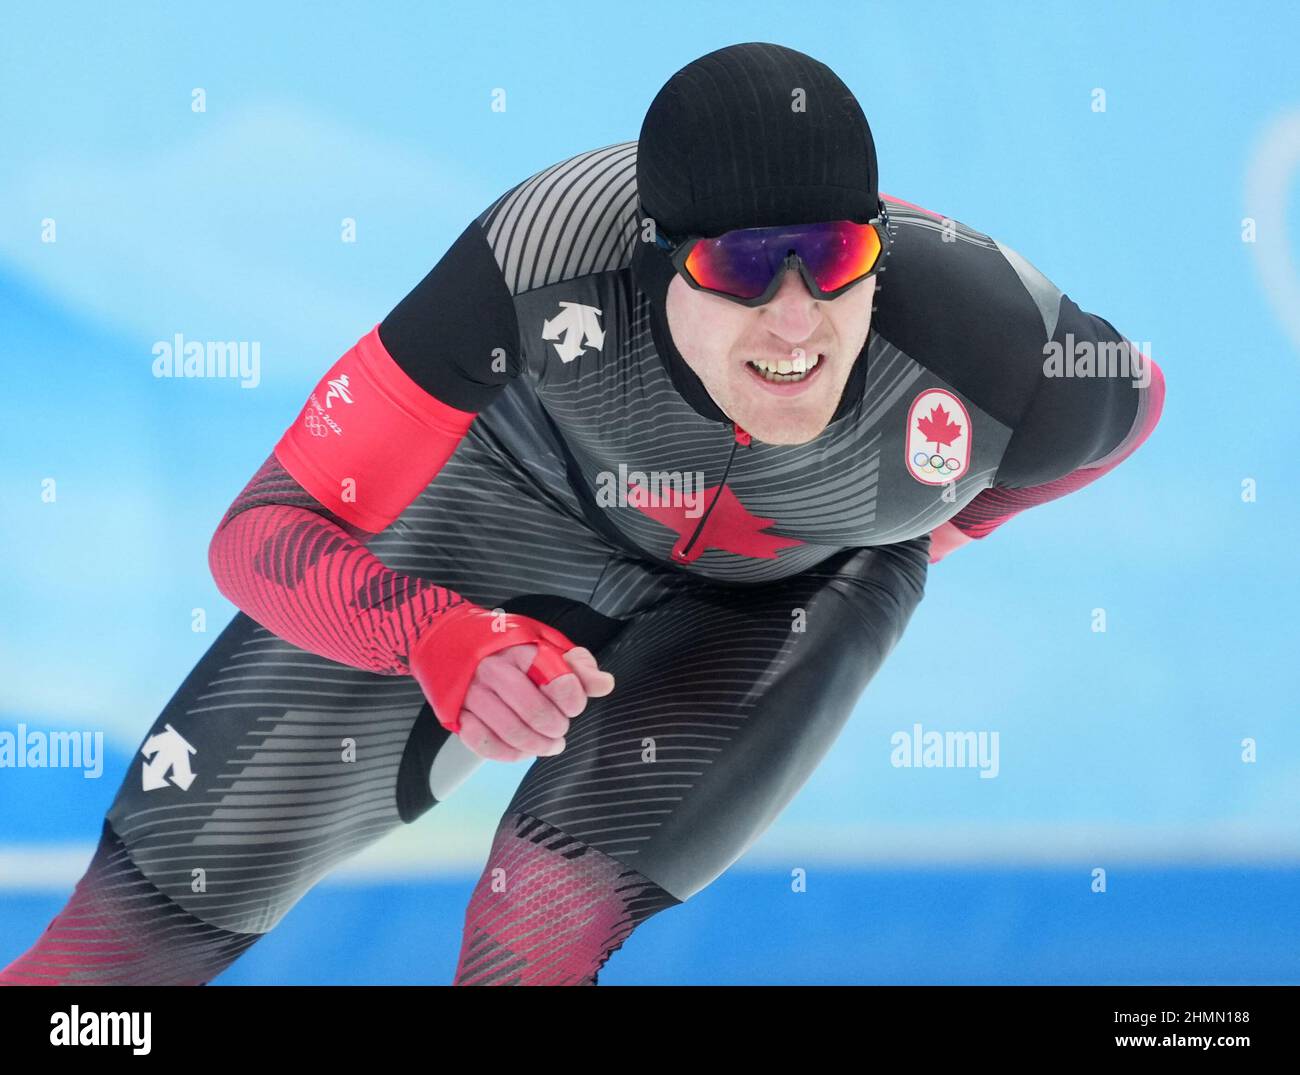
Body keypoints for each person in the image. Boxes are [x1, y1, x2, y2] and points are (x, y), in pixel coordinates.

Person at [0, 41, 1164, 986]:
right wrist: (430, 632)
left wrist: (934, 531)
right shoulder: (539, 259)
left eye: (834, 255)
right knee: (123, 948)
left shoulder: (998, 347)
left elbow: (1140, 404)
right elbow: (260, 529)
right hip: (510, 509)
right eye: (747, 266)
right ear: (658, 260)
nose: (798, 320)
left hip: (788, 593)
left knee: (532, 930)